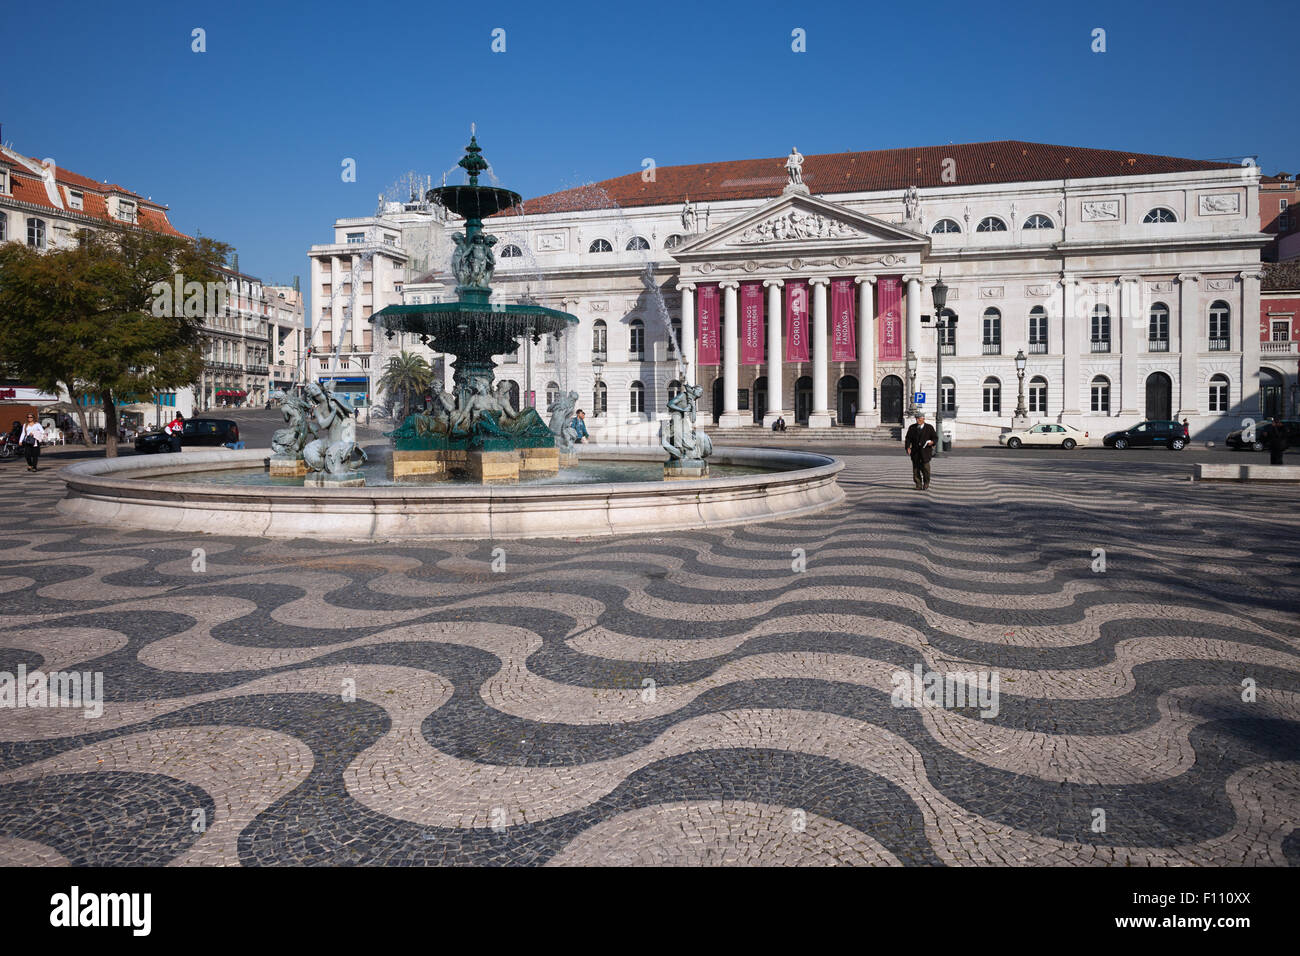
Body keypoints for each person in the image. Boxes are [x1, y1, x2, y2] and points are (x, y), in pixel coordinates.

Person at [904, 412, 938, 490]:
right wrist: (907, 447)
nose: (918, 420)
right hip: (915, 452)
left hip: (925, 452)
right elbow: (908, 438)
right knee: (916, 469)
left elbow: (935, 438)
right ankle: (918, 484)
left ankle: (926, 482)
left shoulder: (929, 427)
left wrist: (932, 442)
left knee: (926, 469)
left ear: (923, 419)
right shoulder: (912, 427)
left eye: (919, 418)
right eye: (916, 418)